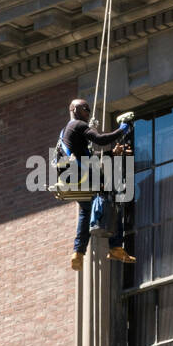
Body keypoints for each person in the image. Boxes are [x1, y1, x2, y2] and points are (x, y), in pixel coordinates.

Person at [61, 98, 136, 271]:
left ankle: (78, 253)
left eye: (88, 108)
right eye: (85, 108)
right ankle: (116, 247)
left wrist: (111, 152)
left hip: (73, 176)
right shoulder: (78, 125)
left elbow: (91, 156)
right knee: (115, 198)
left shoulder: (68, 131)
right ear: (74, 109)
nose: (88, 112)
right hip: (81, 175)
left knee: (86, 211)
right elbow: (100, 139)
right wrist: (122, 129)